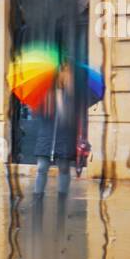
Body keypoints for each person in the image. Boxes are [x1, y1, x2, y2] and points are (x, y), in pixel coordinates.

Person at [34, 65, 82, 197]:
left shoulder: (73, 96)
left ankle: (62, 200)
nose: (66, 75)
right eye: (64, 71)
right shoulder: (46, 94)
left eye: (68, 72)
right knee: (42, 168)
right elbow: (37, 112)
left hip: (64, 137)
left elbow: (72, 117)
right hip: (46, 136)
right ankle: (37, 198)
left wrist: (64, 101)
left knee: (64, 169)